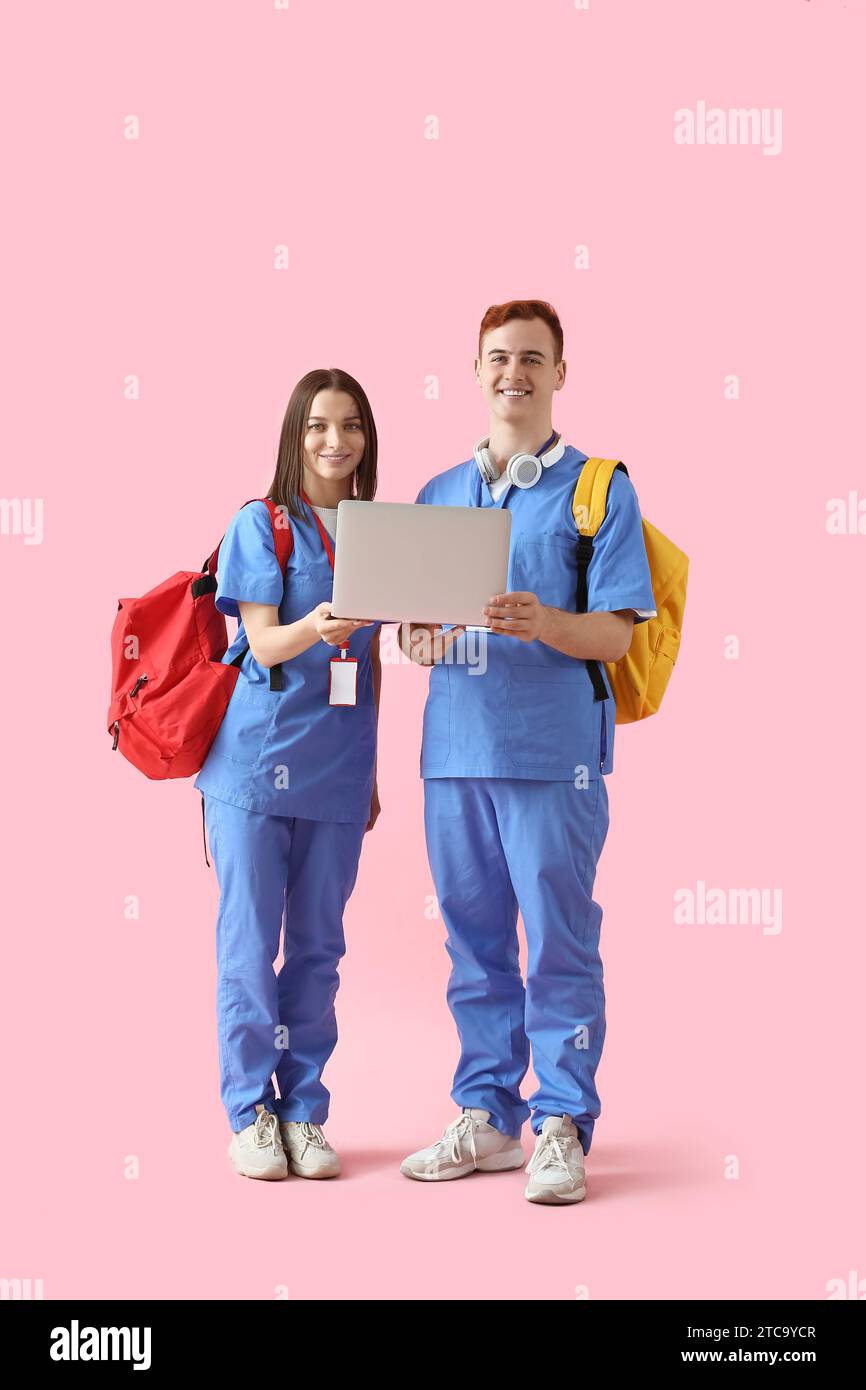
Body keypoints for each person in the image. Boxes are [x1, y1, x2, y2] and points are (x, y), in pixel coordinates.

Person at [398, 300, 656, 1205]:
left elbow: (619, 636)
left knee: (557, 942)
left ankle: (561, 1124)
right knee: (473, 944)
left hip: (555, 758)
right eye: (500, 357)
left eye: (534, 358)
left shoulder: (598, 491)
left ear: (559, 374)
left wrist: (547, 622)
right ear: (476, 371)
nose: (516, 372)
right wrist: (418, 642)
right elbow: (415, 629)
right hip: (455, 755)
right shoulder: (436, 494)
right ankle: (487, 1115)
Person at [194, 368, 382, 1182]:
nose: (334, 442)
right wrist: (317, 622)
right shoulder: (261, 524)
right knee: (247, 947)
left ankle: (304, 1110)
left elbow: (371, 665)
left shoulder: (381, 534)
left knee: (318, 951)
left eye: (349, 426)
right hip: (252, 770)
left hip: (337, 774)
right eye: (316, 426)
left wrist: (368, 774)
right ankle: (250, 1115)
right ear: (293, 437)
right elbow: (265, 644)